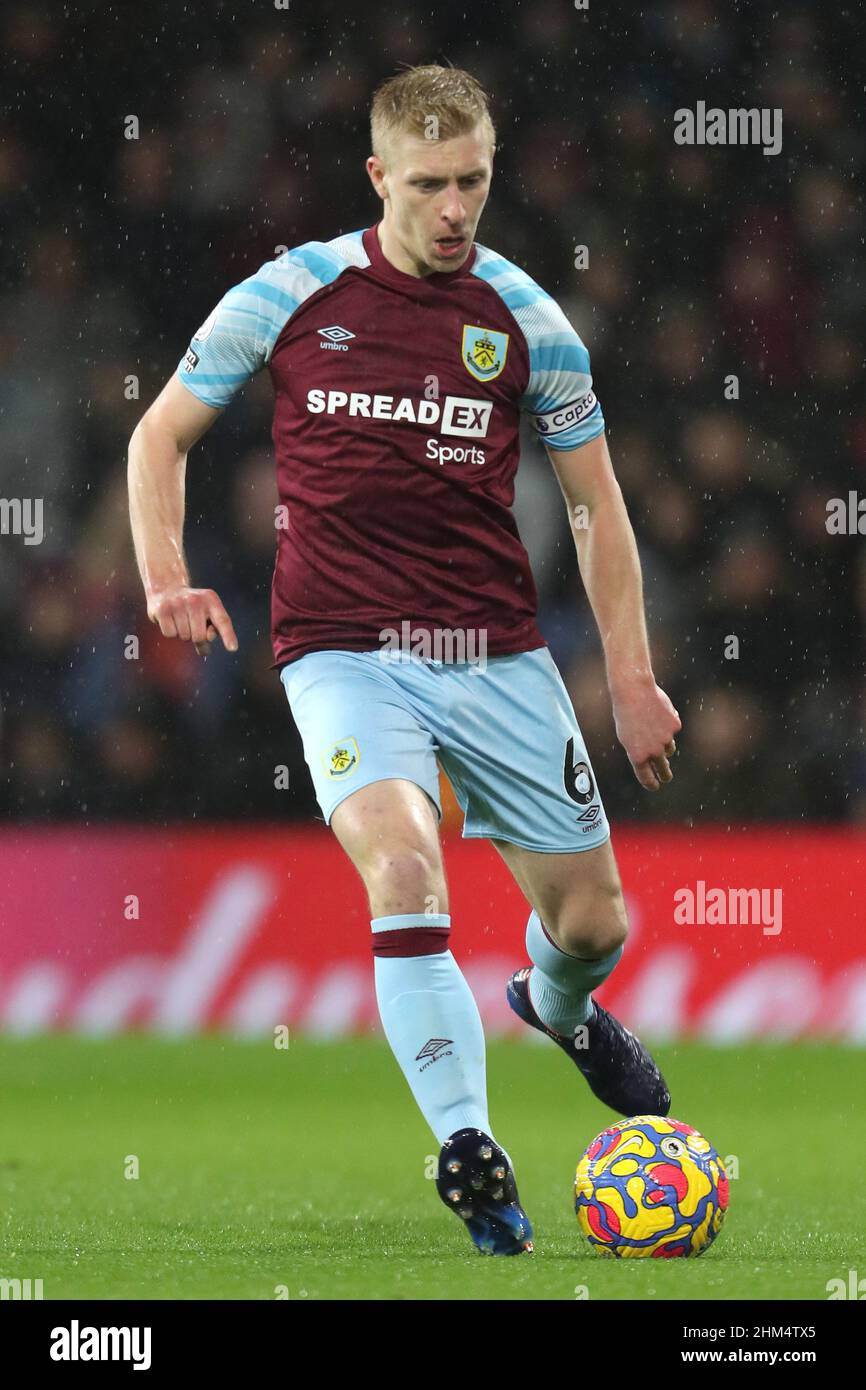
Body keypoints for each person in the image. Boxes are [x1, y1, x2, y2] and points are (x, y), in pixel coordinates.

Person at [128, 64, 681, 1257]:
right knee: (402, 867)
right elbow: (160, 432)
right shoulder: (290, 293)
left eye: (470, 181)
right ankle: (468, 1149)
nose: (451, 209)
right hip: (340, 650)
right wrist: (164, 574)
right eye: (426, 183)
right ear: (378, 176)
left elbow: (596, 507)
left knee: (592, 923)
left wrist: (628, 676)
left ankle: (556, 1004)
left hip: (494, 652)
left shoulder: (528, 321)